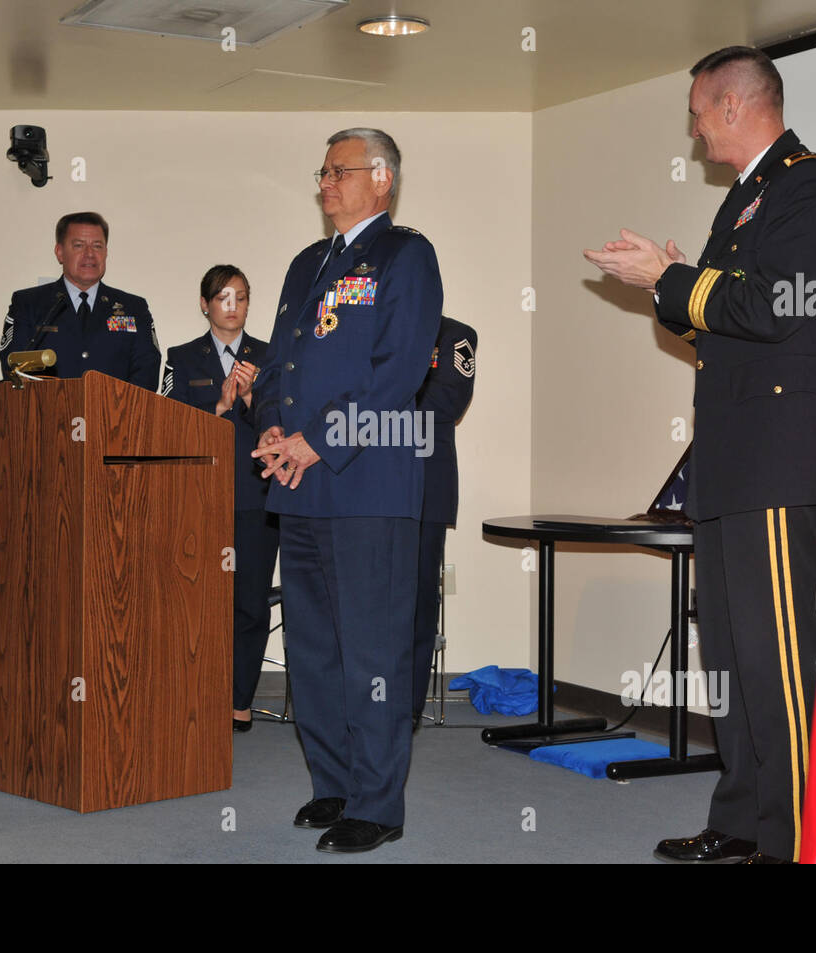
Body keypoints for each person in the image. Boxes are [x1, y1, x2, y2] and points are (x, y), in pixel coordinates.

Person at [584, 46, 816, 864]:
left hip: (775, 457)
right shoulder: (745, 197)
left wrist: (673, 276)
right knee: (732, 655)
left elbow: (775, 307)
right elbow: (718, 316)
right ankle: (742, 820)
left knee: (776, 655)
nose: (697, 132)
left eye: (701, 113)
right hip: (733, 456)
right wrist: (666, 284)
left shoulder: (811, 184)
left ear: (735, 105)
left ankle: (799, 838)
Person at [252, 127, 442, 853]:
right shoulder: (307, 264)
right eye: (323, 172)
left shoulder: (406, 256)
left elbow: (395, 374)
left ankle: (377, 801)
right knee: (313, 651)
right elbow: (279, 369)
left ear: (382, 178)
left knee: (371, 651)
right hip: (297, 486)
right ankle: (332, 782)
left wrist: (318, 440)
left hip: (366, 484)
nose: (325, 183)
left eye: (340, 171)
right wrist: (272, 430)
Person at [161, 266, 278, 733]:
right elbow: (166, 423)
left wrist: (250, 401)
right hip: (197, 497)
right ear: (205, 304)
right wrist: (220, 409)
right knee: (195, 601)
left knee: (249, 602)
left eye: (242, 297)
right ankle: (194, 693)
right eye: (223, 296)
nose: (233, 305)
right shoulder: (180, 357)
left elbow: (286, 426)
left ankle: (239, 699)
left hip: (254, 498)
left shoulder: (271, 357)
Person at [0, 211, 161, 390]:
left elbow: (147, 372)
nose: (90, 254)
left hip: (116, 415)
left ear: (106, 252)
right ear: (60, 253)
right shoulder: (28, 304)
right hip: (47, 414)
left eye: (97, 246)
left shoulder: (134, 308)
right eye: (78, 245)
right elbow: (13, 366)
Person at [412, 316, 477, 729]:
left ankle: (407, 709)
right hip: (364, 484)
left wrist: (375, 407)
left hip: (424, 485)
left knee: (418, 602)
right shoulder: (370, 323)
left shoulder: (455, 336)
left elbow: (446, 406)